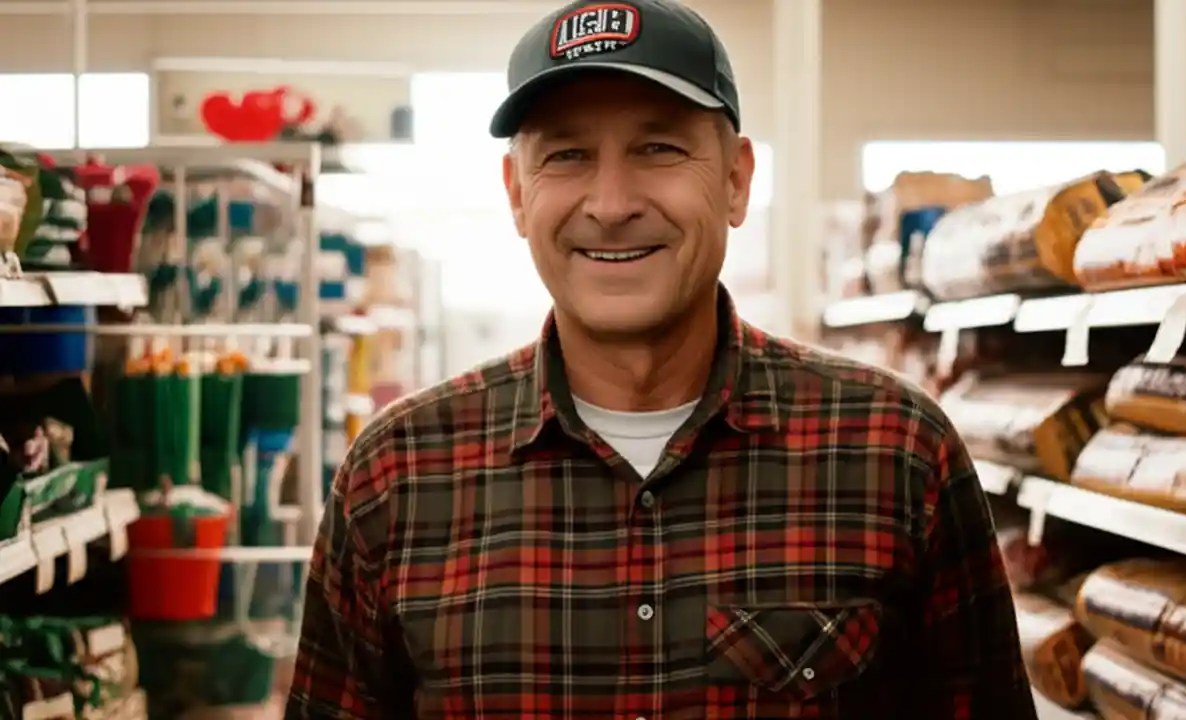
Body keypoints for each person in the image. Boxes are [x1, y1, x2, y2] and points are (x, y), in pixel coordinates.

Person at [286, 0, 1036, 717]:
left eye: (659, 149)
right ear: (517, 194)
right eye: (567, 155)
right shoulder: (397, 477)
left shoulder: (896, 452)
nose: (611, 204)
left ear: (736, 179)